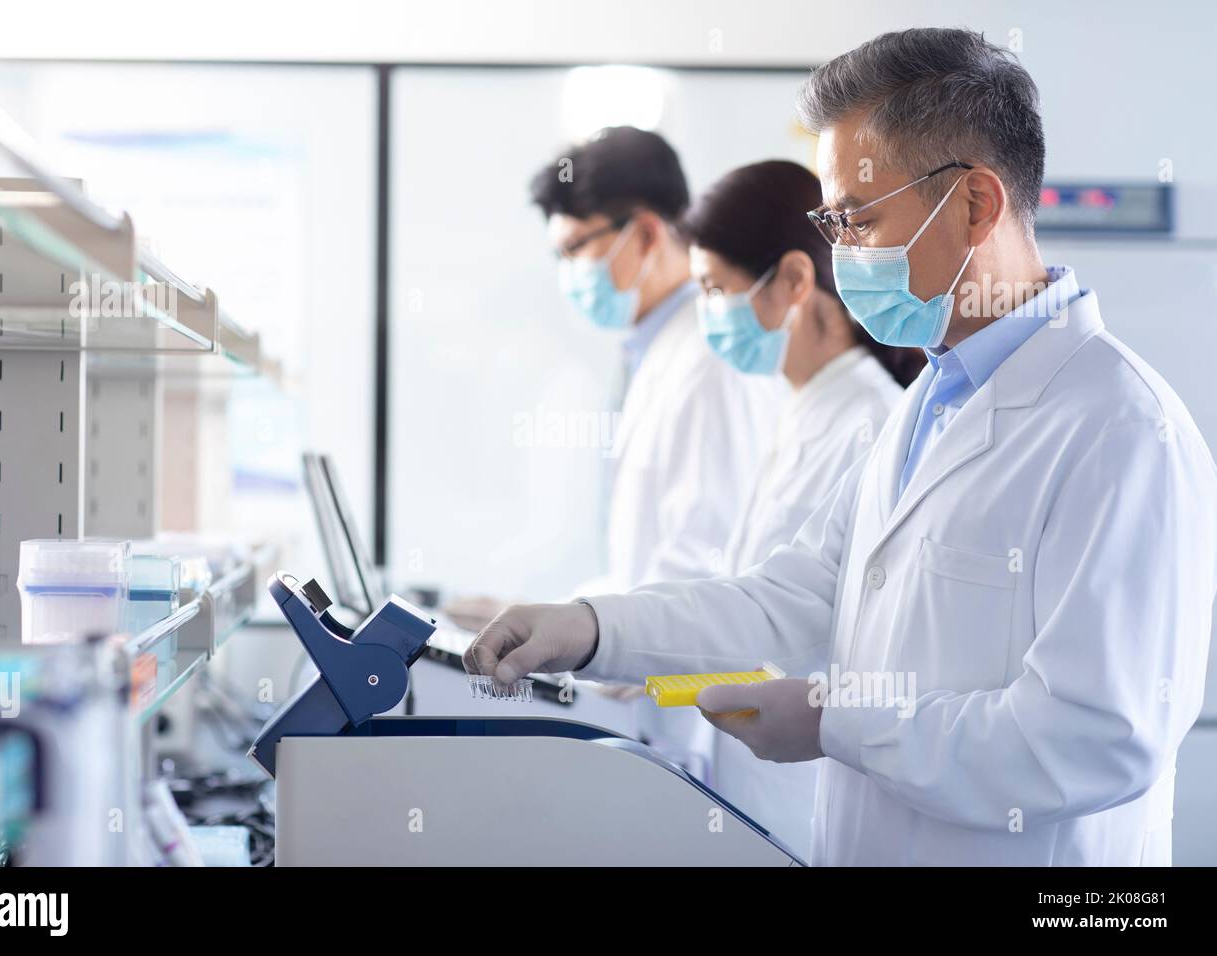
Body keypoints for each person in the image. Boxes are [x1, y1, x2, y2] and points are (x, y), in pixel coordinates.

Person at [466, 28, 1217, 866]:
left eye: (858, 219)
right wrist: (590, 626)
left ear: (976, 204)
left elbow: (1095, 736)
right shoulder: (928, 405)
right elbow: (787, 598)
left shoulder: (1120, 429)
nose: (840, 252)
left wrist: (838, 722)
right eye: (832, 222)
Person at [449, 127, 781, 775]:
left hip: (697, 724)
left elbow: (702, 565)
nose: (570, 273)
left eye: (577, 247)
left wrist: (589, 631)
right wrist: (551, 615)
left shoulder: (711, 359)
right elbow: (650, 557)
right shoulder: (657, 353)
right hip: (657, 709)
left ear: (649, 234)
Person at [681, 158, 921, 850]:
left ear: (793, 280)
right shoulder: (801, 410)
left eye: (714, 290)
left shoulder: (871, 423)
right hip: (754, 789)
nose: (708, 315)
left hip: (805, 797)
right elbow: (752, 596)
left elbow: (802, 623)